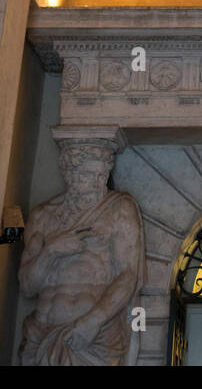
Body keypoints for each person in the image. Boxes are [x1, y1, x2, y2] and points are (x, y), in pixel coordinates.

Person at [18, 139, 143, 365]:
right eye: (88, 176)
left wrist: (92, 323)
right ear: (69, 174)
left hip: (92, 339)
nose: (98, 185)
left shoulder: (118, 209)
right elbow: (27, 287)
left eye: (102, 176)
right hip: (42, 336)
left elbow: (128, 276)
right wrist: (51, 251)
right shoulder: (42, 217)